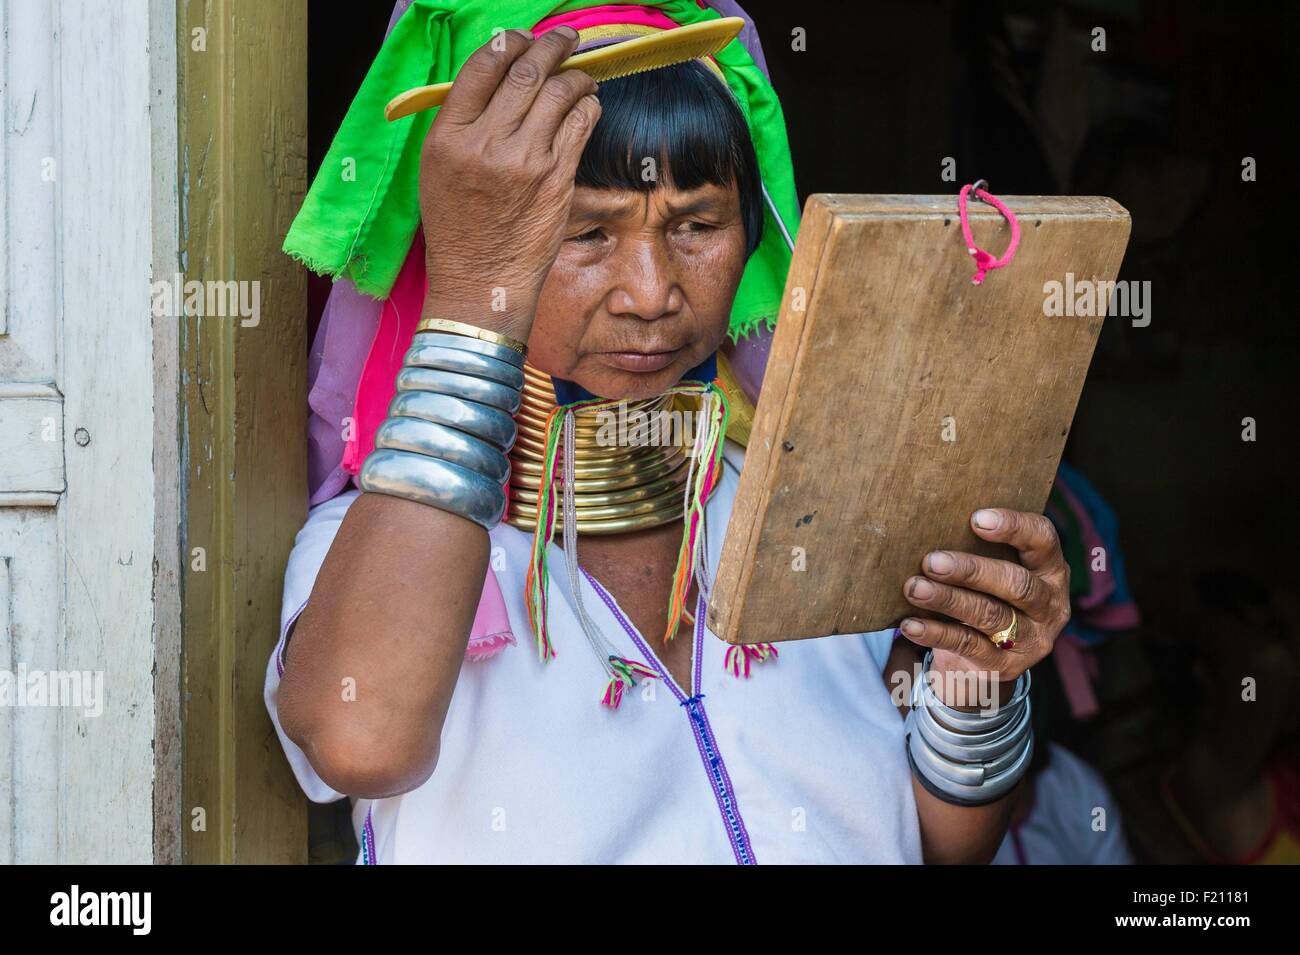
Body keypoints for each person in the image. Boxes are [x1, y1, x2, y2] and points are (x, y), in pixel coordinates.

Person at [266, 2, 1073, 864]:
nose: (651, 292)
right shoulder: (370, 553)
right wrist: (476, 294)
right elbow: (361, 744)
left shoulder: (815, 514)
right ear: (484, 247)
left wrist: (977, 679)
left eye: (695, 224)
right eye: (585, 232)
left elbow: (946, 844)